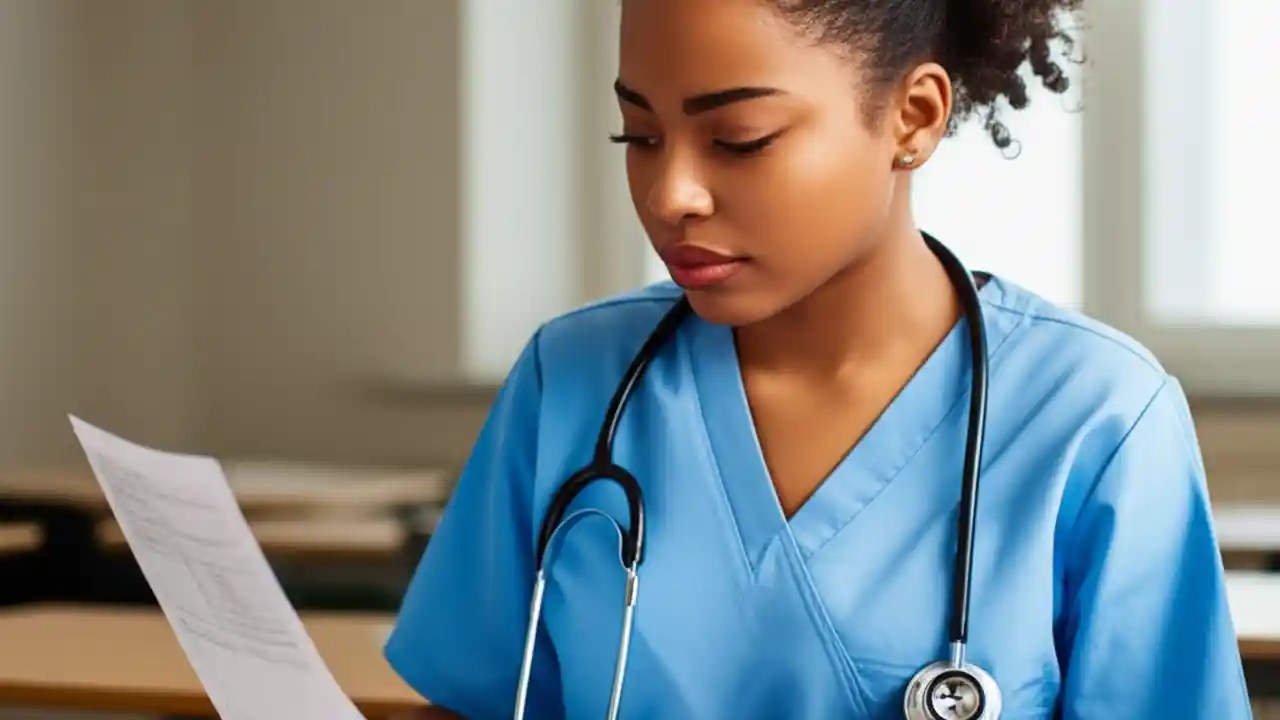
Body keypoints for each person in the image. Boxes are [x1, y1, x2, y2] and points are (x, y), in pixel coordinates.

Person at [385, 0, 1252, 717]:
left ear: (912, 117)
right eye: (639, 137)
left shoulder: (1097, 417)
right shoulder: (572, 378)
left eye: (740, 139)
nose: (669, 194)